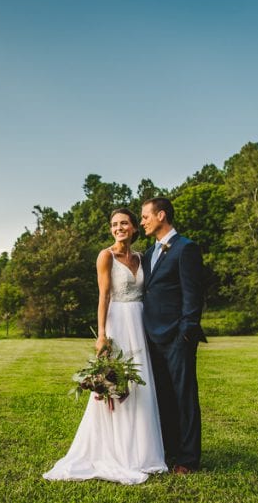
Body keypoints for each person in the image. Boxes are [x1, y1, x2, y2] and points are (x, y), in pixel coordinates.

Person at [43, 208, 168, 485]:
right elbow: (103, 296)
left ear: (135, 228)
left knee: (141, 384)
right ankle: (116, 452)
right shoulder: (105, 256)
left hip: (140, 323)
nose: (119, 228)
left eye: (124, 223)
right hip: (117, 323)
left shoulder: (141, 257)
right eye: (114, 224)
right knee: (116, 382)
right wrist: (101, 334)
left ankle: (142, 453)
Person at [140, 197, 207, 474]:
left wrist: (186, 334)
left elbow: (193, 296)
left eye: (145, 216)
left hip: (177, 339)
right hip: (152, 339)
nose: (142, 222)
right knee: (163, 398)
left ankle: (188, 459)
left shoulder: (185, 248)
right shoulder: (147, 253)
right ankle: (170, 452)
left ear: (161, 215)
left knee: (184, 398)